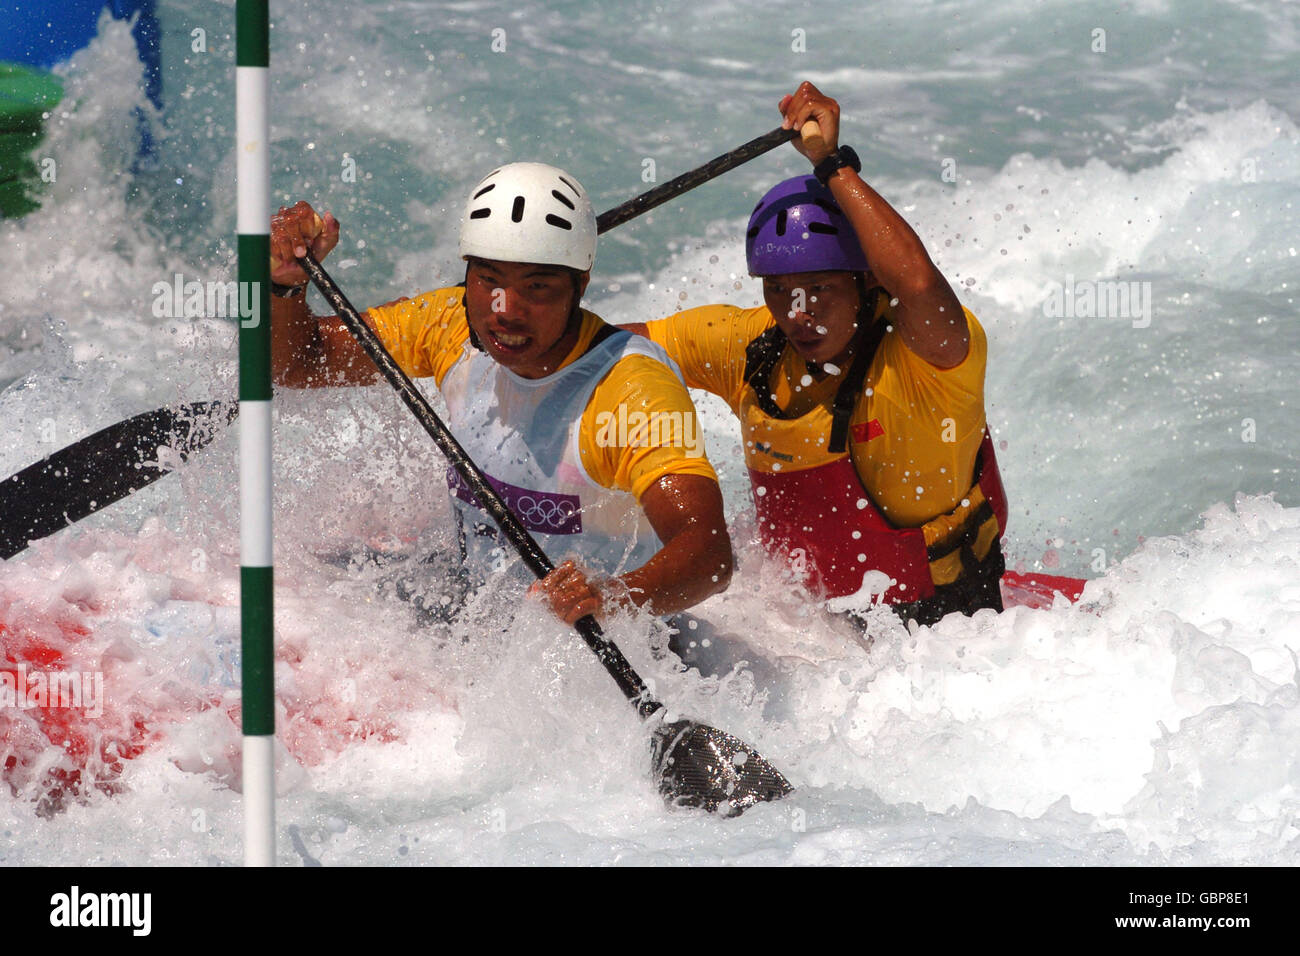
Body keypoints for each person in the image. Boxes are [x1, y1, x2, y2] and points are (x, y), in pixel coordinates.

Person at [268, 162, 732, 627]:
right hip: (473, 619)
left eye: (537, 286)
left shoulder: (632, 392)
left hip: (604, 644)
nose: (505, 311)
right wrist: (285, 286)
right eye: (489, 280)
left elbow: (708, 553)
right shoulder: (448, 323)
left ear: (580, 284)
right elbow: (296, 362)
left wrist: (608, 599)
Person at [623, 83, 1008, 627]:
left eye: (818, 289)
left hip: (946, 636)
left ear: (866, 282)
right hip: (804, 633)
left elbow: (919, 284)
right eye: (778, 290)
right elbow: (608, 348)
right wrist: (517, 304)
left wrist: (832, 165)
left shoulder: (926, 358)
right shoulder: (753, 347)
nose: (796, 312)